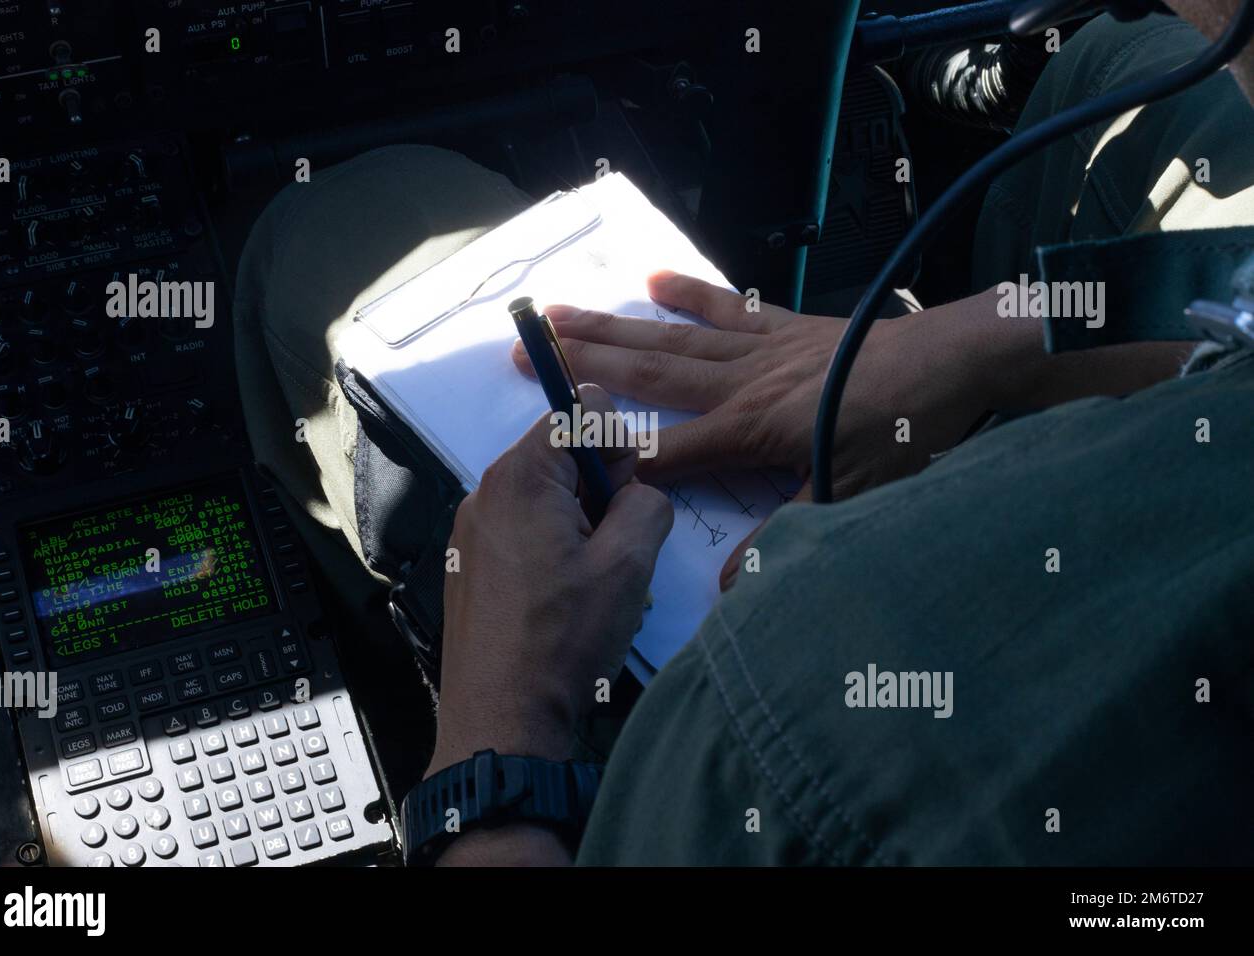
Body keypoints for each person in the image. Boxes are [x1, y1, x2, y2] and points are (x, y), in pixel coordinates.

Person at [234, 2, 1254, 865]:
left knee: (330, 226)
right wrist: (995, 338)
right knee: (1129, 72)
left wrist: (499, 730)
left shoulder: (778, 718)